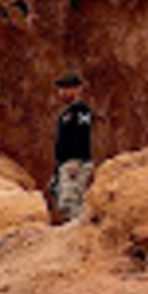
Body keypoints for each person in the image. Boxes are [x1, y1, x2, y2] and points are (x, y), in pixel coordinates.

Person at [49, 72, 96, 223]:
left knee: (70, 203)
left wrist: (76, 159)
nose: (61, 93)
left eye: (66, 88)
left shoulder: (80, 111)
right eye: (60, 89)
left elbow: (81, 135)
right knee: (61, 200)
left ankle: (79, 237)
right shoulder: (67, 113)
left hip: (75, 163)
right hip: (64, 164)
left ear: (77, 90)